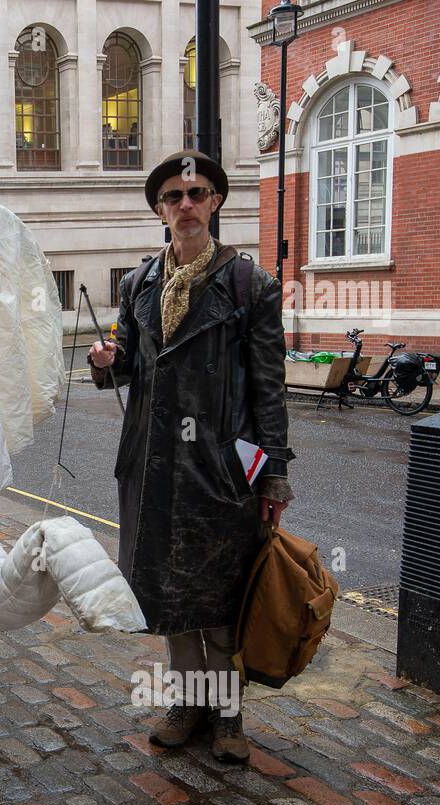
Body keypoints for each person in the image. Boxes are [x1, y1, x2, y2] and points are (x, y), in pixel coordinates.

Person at [89, 149, 294, 763]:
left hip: (221, 469)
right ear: (159, 210)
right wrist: (105, 363)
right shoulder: (138, 285)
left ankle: (228, 718)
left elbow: (268, 388)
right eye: (174, 197)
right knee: (170, 596)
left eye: (197, 194)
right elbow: (127, 365)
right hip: (153, 467)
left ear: (216, 203)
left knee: (222, 598)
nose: (186, 205)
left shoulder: (250, 286)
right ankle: (185, 704)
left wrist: (272, 476)